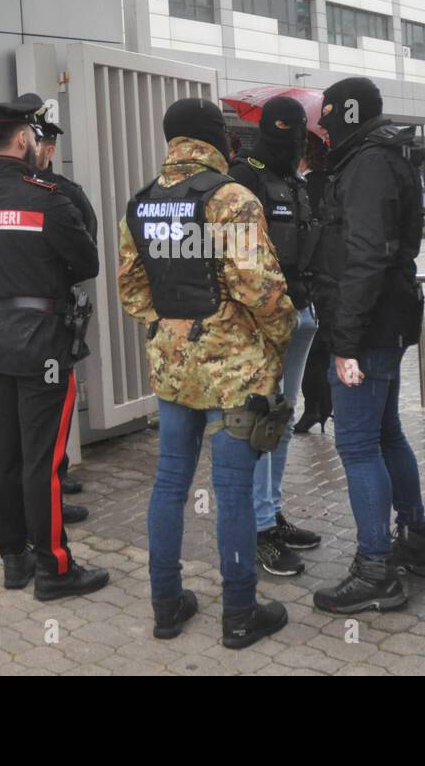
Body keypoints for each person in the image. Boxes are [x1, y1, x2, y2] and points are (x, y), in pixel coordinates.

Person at [117, 98, 297, 649]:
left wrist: (172, 329)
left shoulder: (142, 203)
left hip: (174, 373)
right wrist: (279, 333)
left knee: (171, 481)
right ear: (216, 139)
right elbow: (260, 288)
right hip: (234, 375)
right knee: (233, 491)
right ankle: (240, 614)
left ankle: (166, 604)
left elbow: (130, 289)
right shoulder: (230, 198)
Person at [0, 94, 109, 601]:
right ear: (24, 139)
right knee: (42, 461)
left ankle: (13, 559)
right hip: (43, 342)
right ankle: (54, 568)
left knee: (3, 453)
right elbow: (86, 263)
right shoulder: (44, 196)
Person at [308, 77, 425, 615]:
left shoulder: (366, 163)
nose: (320, 126)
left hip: (366, 328)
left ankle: (376, 569)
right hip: (387, 321)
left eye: (327, 116)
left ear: (345, 113)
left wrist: (345, 342)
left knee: (359, 445)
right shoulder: (386, 155)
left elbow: (364, 257)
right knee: (387, 434)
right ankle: (416, 543)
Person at [228, 97, 322, 577]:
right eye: (289, 130)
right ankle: (258, 529)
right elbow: (239, 264)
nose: (297, 139)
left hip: (301, 316)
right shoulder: (244, 177)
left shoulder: (293, 178)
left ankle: (271, 513)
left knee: (282, 419)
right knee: (259, 422)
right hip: (262, 325)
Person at [36, 116, 96, 509]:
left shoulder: (65, 192)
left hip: (56, 308)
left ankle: (56, 474)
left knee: (57, 404)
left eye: (40, 141)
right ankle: (47, 486)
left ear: (50, 149)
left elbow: (86, 242)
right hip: (29, 320)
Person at [294, 132, 333, 434]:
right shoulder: (332, 182)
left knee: (312, 349)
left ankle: (314, 408)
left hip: (311, 276)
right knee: (325, 346)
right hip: (331, 274)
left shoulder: (304, 187)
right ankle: (325, 406)